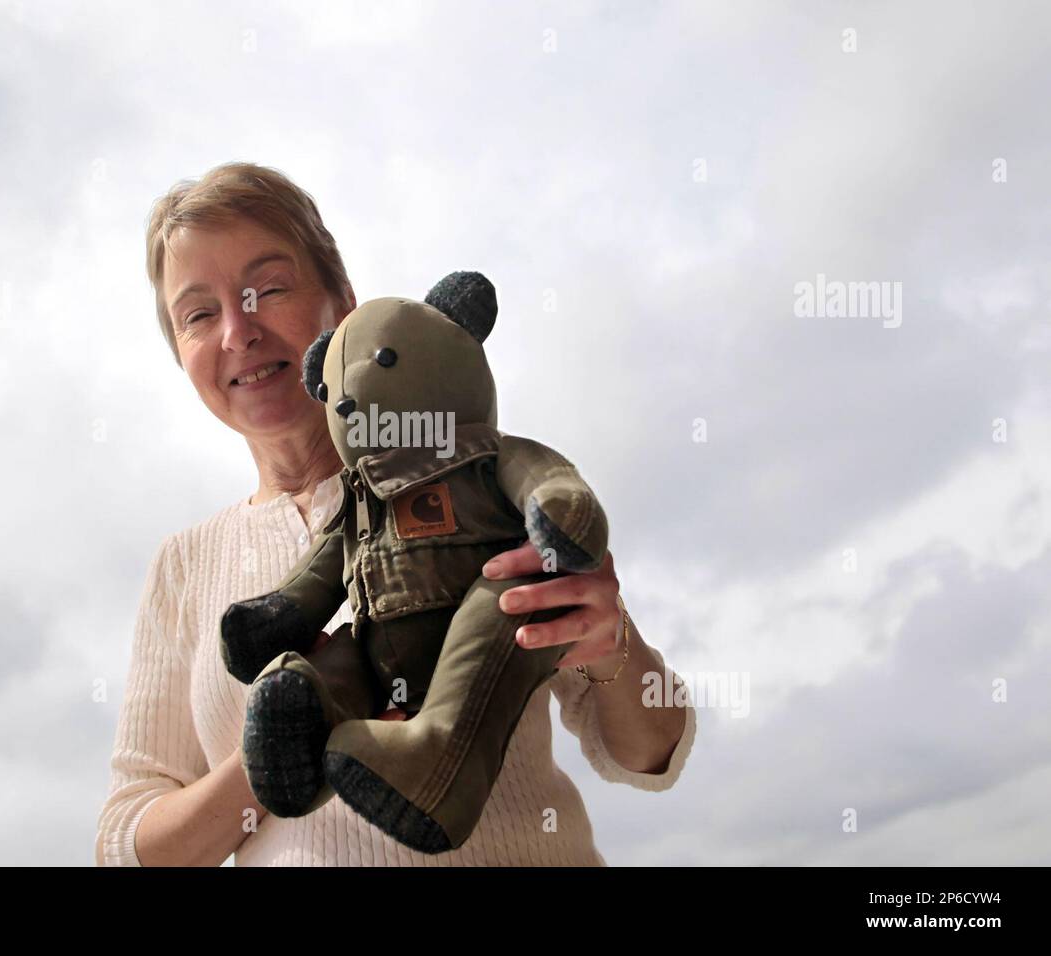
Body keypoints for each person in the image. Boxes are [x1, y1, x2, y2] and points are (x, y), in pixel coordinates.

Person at [94, 161, 696, 866]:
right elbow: (126, 846)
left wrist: (610, 643)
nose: (238, 331)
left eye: (269, 288)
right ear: (181, 351)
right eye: (198, 314)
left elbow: (649, 754)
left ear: (341, 307)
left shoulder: (474, 482)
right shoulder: (184, 565)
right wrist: (280, 753)